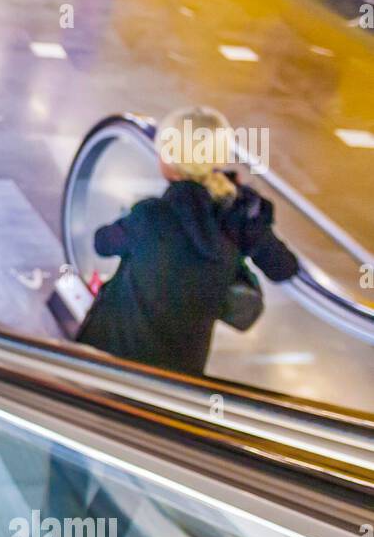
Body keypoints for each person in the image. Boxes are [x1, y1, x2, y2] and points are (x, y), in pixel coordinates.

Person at [76, 105, 299, 376]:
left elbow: (102, 243)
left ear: (169, 160)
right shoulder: (238, 219)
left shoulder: (150, 215)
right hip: (180, 374)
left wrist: (127, 218)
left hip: (111, 356)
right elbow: (284, 267)